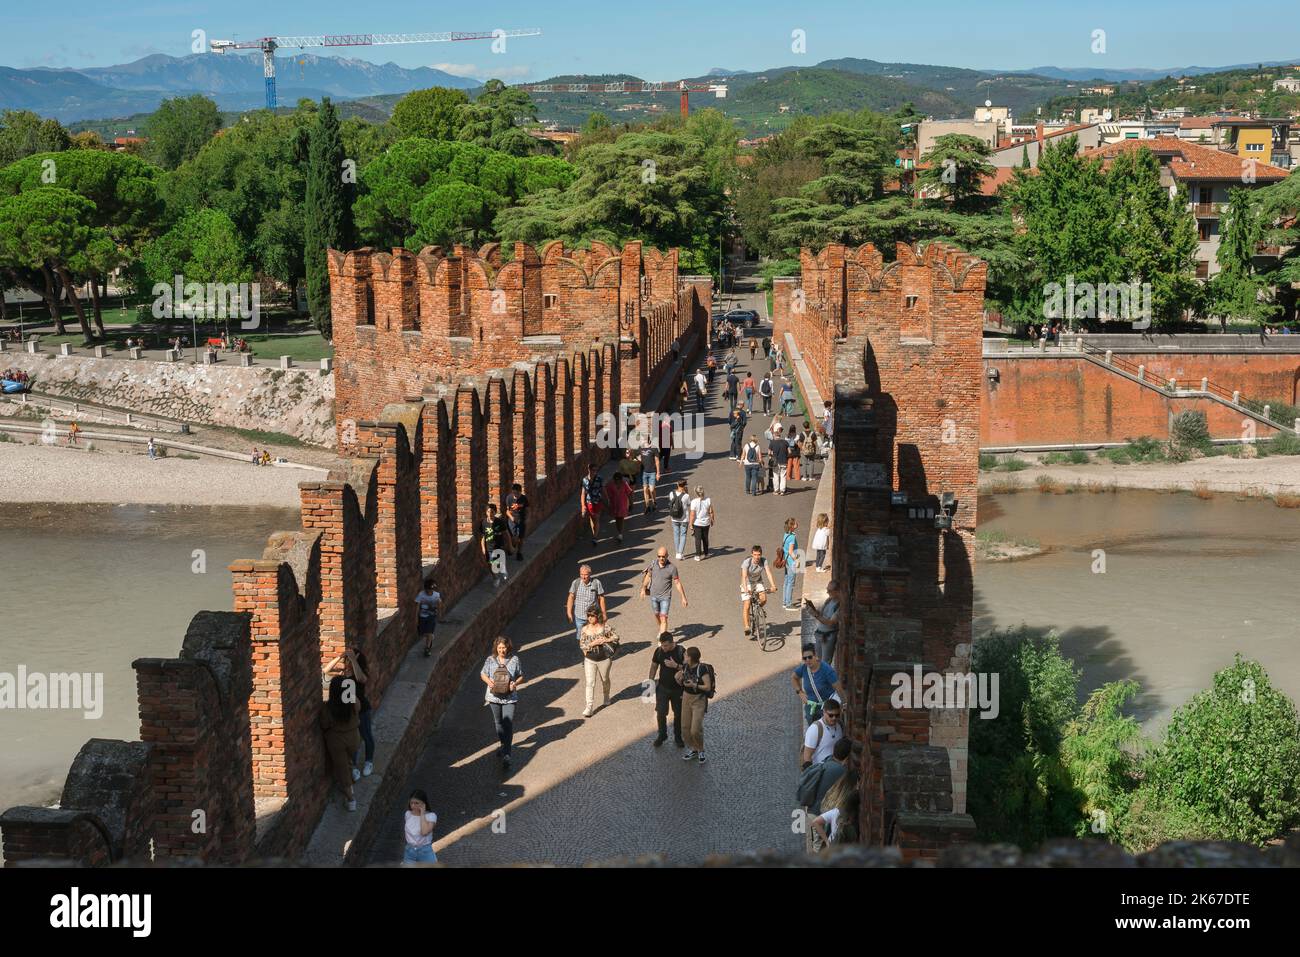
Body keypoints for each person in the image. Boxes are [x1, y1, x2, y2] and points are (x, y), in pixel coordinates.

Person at [481, 636, 524, 768]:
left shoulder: (515, 660)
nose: (502, 650)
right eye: (499, 648)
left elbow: (521, 675)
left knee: (508, 723)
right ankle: (503, 744)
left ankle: (507, 754)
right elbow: (483, 674)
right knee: (498, 723)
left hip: (510, 697)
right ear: (496, 648)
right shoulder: (490, 660)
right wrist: (490, 682)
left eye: (504, 647)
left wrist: (514, 684)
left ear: (508, 647)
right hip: (493, 697)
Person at [321, 675, 361, 811]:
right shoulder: (353, 702)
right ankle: (353, 772)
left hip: (337, 742)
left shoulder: (328, 708)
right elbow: (358, 709)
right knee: (348, 760)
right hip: (354, 738)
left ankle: (351, 800)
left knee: (342, 771)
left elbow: (324, 724)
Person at [579, 606, 620, 717]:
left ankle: (606, 696)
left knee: (605, 679)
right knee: (589, 683)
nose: (590, 618)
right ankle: (589, 707)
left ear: (597, 616)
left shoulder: (604, 627)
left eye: (592, 615)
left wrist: (606, 639)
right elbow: (582, 645)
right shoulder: (584, 629)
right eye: (588, 615)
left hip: (604, 659)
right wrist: (592, 644)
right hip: (590, 660)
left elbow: (616, 636)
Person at [648, 631, 686, 748]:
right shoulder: (659, 651)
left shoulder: (681, 651)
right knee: (661, 713)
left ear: (672, 643)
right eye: (662, 645)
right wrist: (650, 682)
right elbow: (654, 666)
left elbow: (688, 668)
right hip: (663, 688)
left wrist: (675, 666)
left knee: (678, 714)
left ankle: (678, 737)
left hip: (678, 689)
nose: (663, 648)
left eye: (665, 645)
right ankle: (662, 734)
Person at [677, 646, 713, 763]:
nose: (684, 656)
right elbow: (682, 680)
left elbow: (707, 687)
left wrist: (694, 685)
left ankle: (701, 749)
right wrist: (679, 679)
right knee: (685, 728)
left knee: (695, 729)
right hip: (686, 698)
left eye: (686, 655)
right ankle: (694, 749)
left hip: (699, 699)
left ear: (691, 658)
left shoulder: (701, 669)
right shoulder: (686, 667)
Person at [793, 645, 844, 726]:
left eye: (810, 657)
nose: (807, 660)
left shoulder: (827, 670)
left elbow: (838, 688)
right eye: (804, 658)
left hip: (827, 709)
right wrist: (800, 692)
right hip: (812, 708)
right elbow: (794, 677)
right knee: (815, 731)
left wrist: (843, 704)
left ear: (815, 656)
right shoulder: (803, 668)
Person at [345, 647, 375, 778]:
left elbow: (360, 678)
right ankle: (354, 767)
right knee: (354, 740)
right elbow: (325, 670)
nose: (347, 662)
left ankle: (369, 761)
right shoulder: (343, 674)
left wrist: (352, 660)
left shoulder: (361, 673)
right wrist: (340, 657)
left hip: (363, 710)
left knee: (366, 735)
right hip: (350, 712)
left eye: (349, 660)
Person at [642, 547, 688, 632]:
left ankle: (662, 637)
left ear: (667, 556)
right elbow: (648, 576)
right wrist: (643, 588)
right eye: (659, 556)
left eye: (663, 556)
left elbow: (677, 583)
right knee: (656, 615)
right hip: (653, 596)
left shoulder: (672, 568)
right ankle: (662, 630)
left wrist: (683, 597)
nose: (661, 558)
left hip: (665, 597)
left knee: (663, 618)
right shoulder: (653, 564)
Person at [740, 544, 777, 639]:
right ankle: (747, 626)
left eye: (759, 554)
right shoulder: (747, 562)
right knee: (747, 604)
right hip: (747, 582)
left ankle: (758, 609)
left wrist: (773, 585)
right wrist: (746, 589)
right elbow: (743, 576)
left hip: (757, 581)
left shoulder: (763, 561)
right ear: (752, 554)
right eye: (755, 554)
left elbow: (768, 573)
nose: (757, 557)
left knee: (764, 599)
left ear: (761, 554)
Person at [566, 564, 607, 645]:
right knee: (581, 637)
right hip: (579, 616)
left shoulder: (596, 583)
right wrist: (569, 612)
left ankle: (593, 652)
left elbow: (601, 598)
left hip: (593, 617)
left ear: (590, 574)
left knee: (594, 635)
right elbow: (571, 597)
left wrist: (604, 613)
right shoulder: (576, 583)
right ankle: (586, 652)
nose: (583, 577)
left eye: (586, 575)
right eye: (581, 574)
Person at [800, 698, 843, 771]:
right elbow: (807, 757)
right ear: (824, 712)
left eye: (837, 715)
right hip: (819, 772)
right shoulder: (815, 729)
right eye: (831, 715)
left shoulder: (840, 725)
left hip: (834, 771)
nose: (834, 718)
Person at [805, 580, 842, 664]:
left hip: (828, 636)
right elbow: (821, 614)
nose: (827, 592)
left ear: (837, 591)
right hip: (820, 633)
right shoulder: (829, 600)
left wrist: (815, 615)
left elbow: (831, 622)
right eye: (827, 589)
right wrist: (813, 610)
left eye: (830, 591)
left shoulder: (839, 605)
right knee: (817, 660)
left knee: (825, 662)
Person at [480, 503, 513, 587]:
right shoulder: (484, 523)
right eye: (488, 512)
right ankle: (496, 578)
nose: (490, 514)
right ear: (486, 512)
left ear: (495, 512)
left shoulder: (499, 522)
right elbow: (483, 537)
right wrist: (483, 548)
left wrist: (510, 545)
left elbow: (507, 534)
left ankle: (502, 569)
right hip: (488, 547)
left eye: (492, 512)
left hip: (499, 546)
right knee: (490, 564)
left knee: (495, 563)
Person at [402, 789, 438, 865]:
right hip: (409, 851)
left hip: (425, 852)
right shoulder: (408, 814)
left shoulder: (431, 816)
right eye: (411, 803)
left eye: (416, 803)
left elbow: (424, 832)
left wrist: (422, 813)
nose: (413, 806)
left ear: (423, 803)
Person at [603, 470, 632, 544]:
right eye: (616, 479)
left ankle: (620, 533)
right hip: (615, 505)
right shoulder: (611, 485)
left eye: (618, 479)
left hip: (623, 504)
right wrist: (607, 504)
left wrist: (631, 503)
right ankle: (619, 532)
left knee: (621, 518)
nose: (617, 481)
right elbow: (607, 494)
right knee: (617, 518)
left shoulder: (624, 484)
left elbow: (629, 493)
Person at [688, 484, 715, 561]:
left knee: (698, 539)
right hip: (706, 522)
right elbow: (711, 511)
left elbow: (692, 515)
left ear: (695, 493)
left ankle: (698, 555)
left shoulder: (693, 502)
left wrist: (690, 524)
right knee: (705, 538)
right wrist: (712, 520)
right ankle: (706, 553)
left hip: (697, 523)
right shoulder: (708, 500)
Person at [666, 479, 691, 560]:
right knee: (683, 535)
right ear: (685, 486)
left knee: (676, 535)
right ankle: (680, 553)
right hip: (684, 518)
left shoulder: (671, 493)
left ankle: (677, 552)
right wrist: (686, 492)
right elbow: (688, 505)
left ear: (677, 484)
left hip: (674, 518)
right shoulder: (686, 496)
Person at [416, 577, 442, 657]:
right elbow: (417, 607)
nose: (429, 592)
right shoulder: (421, 594)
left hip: (431, 616)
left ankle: (427, 648)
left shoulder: (436, 595)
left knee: (429, 632)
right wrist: (416, 618)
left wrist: (439, 614)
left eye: (431, 590)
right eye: (427, 590)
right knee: (422, 633)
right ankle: (430, 637)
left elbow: (440, 604)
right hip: (422, 616)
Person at [580, 463, 604, 545]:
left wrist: (607, 499)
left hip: (598, 501)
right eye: (593, 470)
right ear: (589, 470)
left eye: (596, 470)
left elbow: (603, 489)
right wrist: (583, 505)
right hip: (589, 502)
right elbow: (583, 493)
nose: (595, 472)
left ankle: (595, 537)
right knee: (592, 518)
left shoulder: (599, 479)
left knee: (596, 518)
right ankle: (594, 534)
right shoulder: (584, 480)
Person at [505, 482, 529, 560]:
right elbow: (507, 511)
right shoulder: (509, 498)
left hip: (521, 520)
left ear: (520, 492)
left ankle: (519, 553)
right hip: (512, 520)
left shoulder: (524, 498)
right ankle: (513, 546)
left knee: (521, 538)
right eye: (513, 493)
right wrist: (511, 517)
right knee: (513, 537)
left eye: (517, 493)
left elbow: (528, 509)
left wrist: (528, 518)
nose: (515, 495)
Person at [780, 517, 800, 609]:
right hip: (791, 562)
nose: (797, 523)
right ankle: (788, 604)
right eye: (795, 523)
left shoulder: (786, 534)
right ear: (792, 526)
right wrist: (797, 560)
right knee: (791, 583)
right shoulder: (792, 537)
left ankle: (784, 602)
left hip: (786, 560)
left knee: (786, 581)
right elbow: (791, 551)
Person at [639, 439, 661, 514]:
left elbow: (657, 461)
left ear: (648, 440)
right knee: (645, 489)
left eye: (644, 439)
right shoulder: (641, 448)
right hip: (644, 472)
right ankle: (647, 506)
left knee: (651, 490)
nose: (642, 440)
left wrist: (658, 473)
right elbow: (639, 457)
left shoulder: (654, 449)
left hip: (652, 472)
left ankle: (654, 501)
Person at [768, 423, 789, 495]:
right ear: (780, 435)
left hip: (775, 462)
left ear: (775, 435)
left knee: (776, 476)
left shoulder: (772, 443)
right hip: (784, 461)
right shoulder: (785, 442)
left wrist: (772, 455)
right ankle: (782, 490)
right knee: (783, 476)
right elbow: (789, 451)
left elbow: (769, 452)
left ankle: (776, 490)